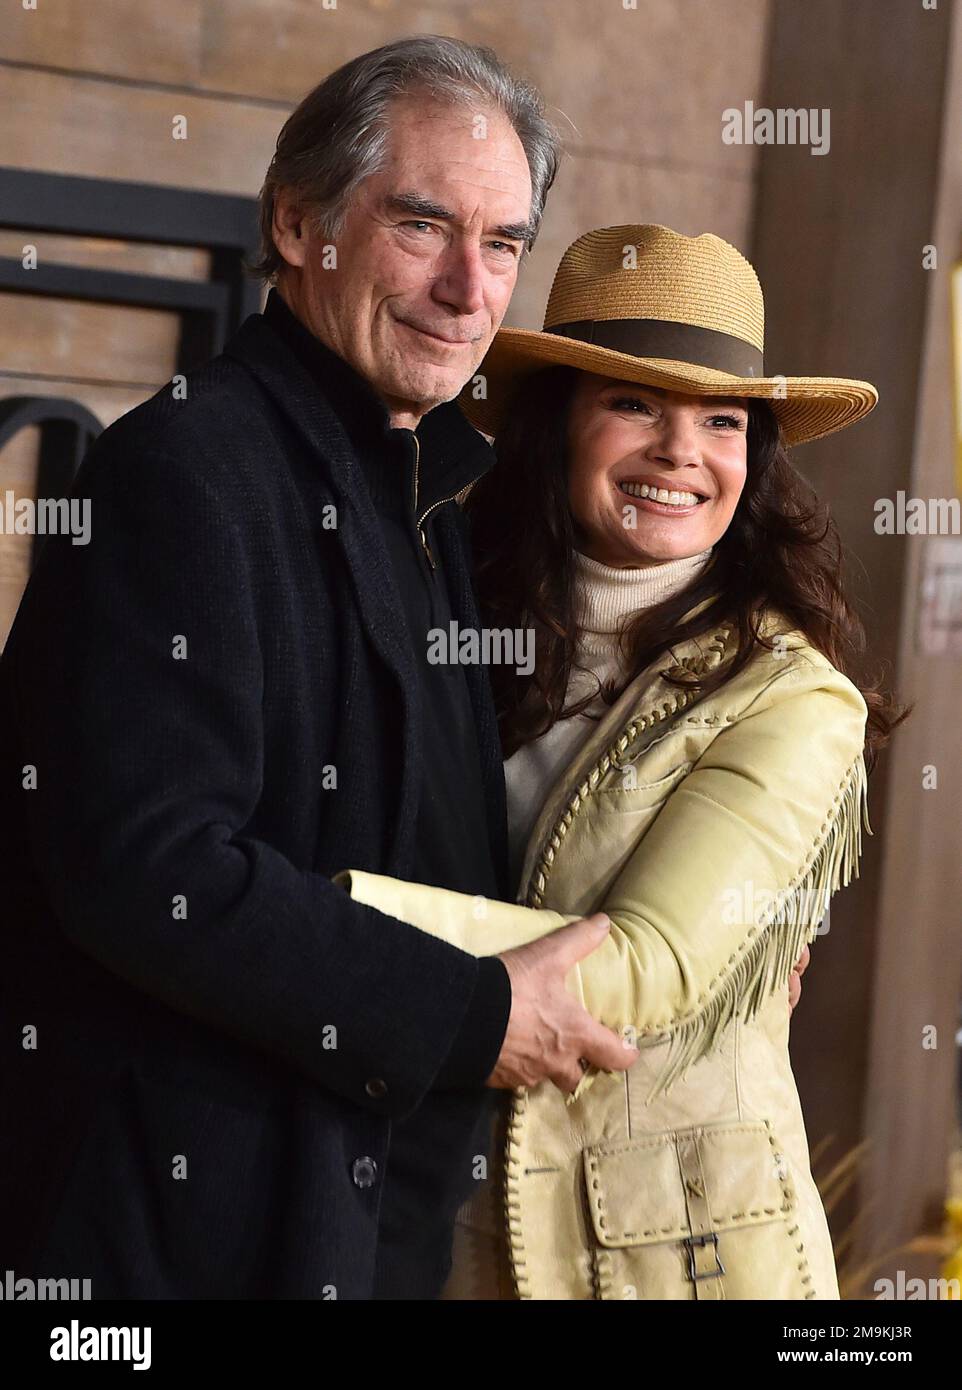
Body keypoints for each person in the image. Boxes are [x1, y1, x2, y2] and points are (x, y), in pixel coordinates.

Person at [0, 38, 638, 1301]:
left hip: (350, 1220)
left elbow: (462, 829)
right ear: (294, 223)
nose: (468, 288)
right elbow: (150, 868)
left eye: (503, 243)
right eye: (421, 224)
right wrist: (467, 1016)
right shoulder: (183, 471)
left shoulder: (433, 489)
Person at [335, 223, 906, 1299]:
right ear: (557, 425)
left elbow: (646, 967)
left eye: (721, 420)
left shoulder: (789, 696)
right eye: (635, 404)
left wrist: (289, 916)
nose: (680, 452)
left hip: (662, 1253)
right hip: (421, 1201)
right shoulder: (441, 604)